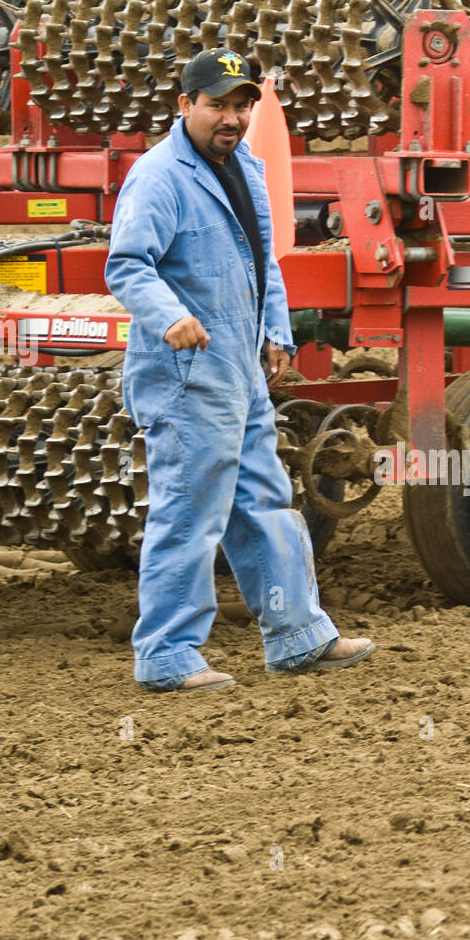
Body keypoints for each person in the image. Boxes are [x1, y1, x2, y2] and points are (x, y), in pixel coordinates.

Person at [105, 49, 374, 691]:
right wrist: (170, 315)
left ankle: (299, 636)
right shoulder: (159, 176)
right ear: (185, 105)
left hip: (241, 372)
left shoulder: (244, 168)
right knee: (190, 512)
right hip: (186, 374)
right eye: (217, 104)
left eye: (241, 105)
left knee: (264, 501)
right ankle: (167, 655)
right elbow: (127, 265)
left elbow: (263, 261)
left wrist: (276, 329)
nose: (231, 117)